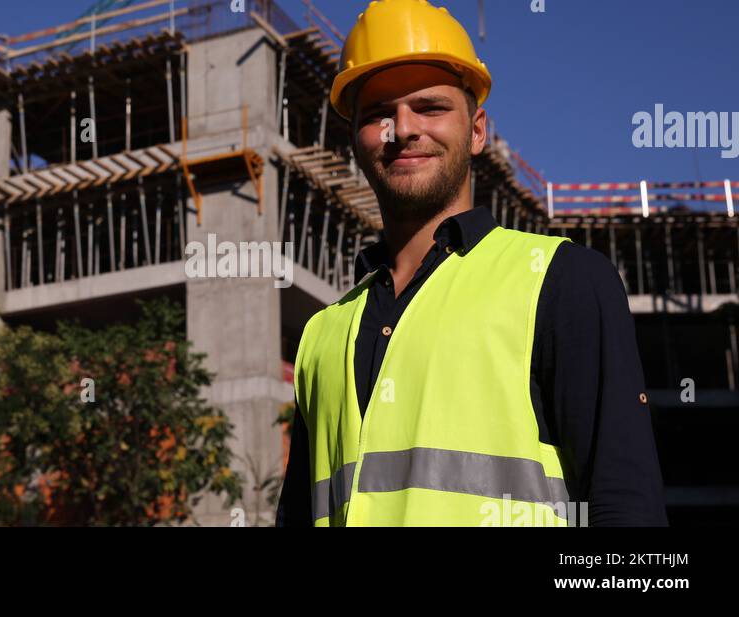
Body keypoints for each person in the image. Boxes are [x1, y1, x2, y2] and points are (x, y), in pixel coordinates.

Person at [276, 0, 667, 526]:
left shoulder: (560, 280)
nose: (403, 129)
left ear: (477, 131)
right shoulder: (323, 334)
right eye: (378, 115)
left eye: (430, 107)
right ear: (356, 143)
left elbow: (625, 507)